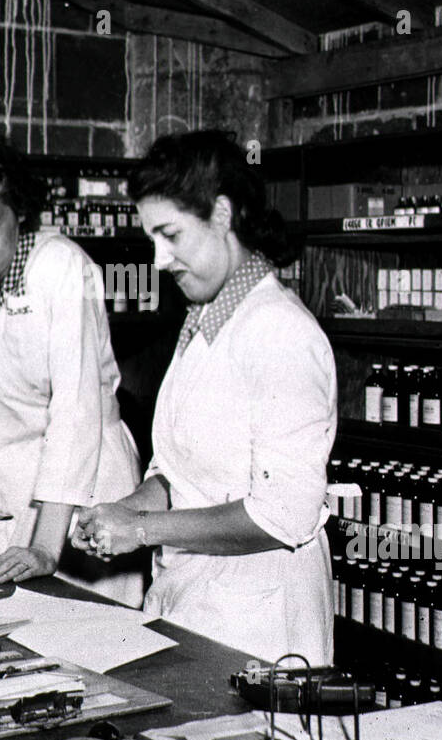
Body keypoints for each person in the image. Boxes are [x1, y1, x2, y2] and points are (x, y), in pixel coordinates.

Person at [74, 130, 336, 663]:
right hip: (189, 600)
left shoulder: (283, 334)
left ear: (221, 214)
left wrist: (142, 530)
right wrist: (121, 511)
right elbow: (179, 473)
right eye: (152, 239)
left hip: (259, 627)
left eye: (170, 235)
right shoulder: (203, 319)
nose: (160, 259)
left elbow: (283, 514)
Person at [0, 139, 144, 606]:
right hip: (17, 486)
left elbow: (76, 409)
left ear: (19, 212)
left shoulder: (61, 267)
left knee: (92, 643)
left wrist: (45, 546)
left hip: (89, 487)